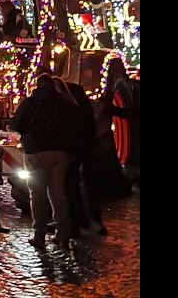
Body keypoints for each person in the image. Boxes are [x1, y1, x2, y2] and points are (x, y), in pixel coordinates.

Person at [10, 73, 80, 249]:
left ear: (37, 85)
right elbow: (74, 128)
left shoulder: (29, 103)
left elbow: (18, 125)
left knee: (37, 194)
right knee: (58, 193)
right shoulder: (64, 104)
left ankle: (39, 235)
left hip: (35, 152)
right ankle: (63, 234)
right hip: (60, 152)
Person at [52, 76, 107, 236]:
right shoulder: (75, 103)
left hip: (76, 148)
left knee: (75, 185)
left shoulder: (69, 106)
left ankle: (82, 221)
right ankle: (78, 220)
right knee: (72, 185)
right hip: (76, 148)